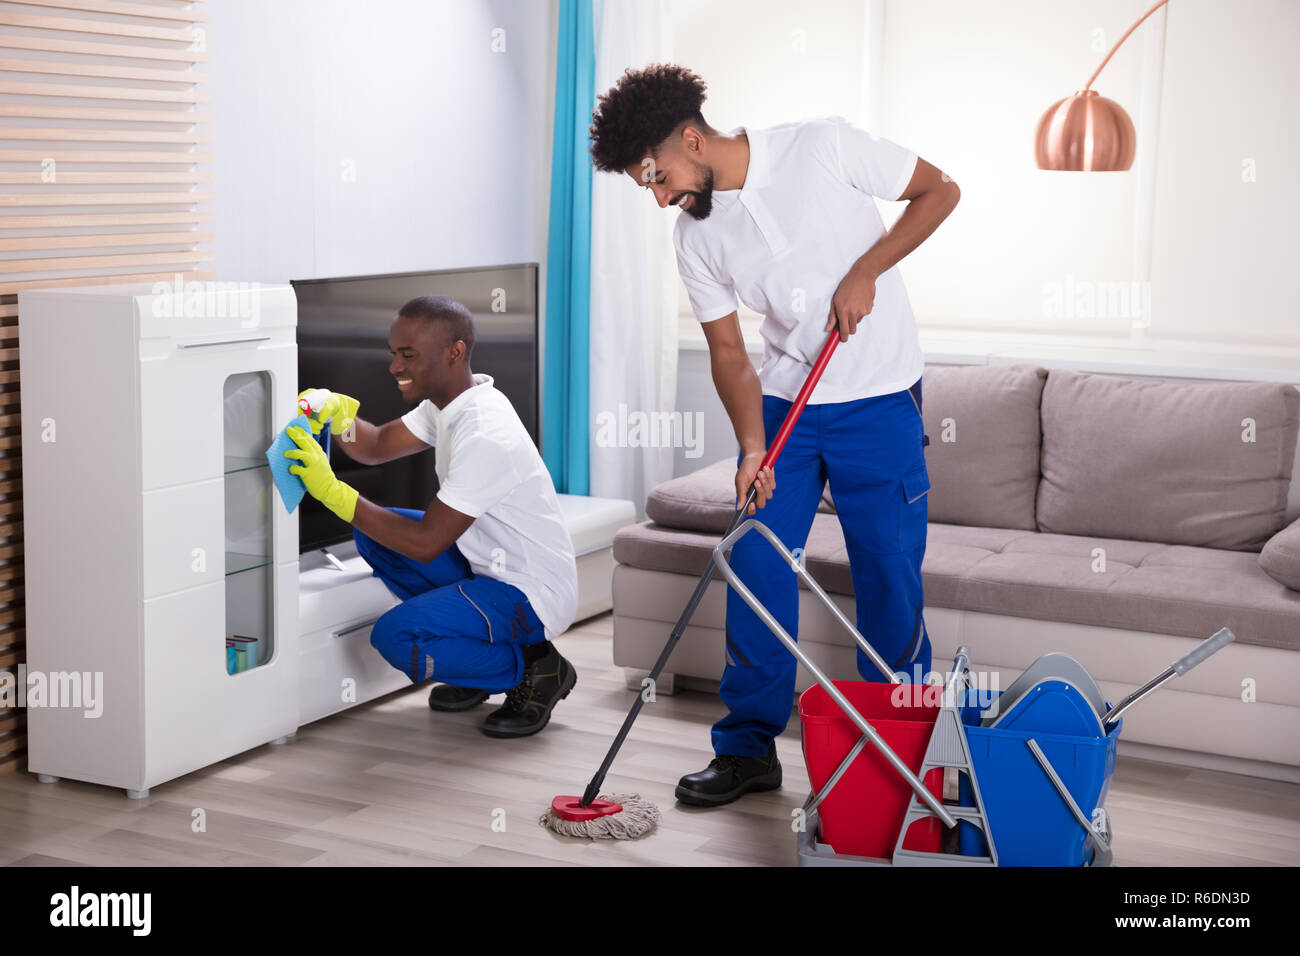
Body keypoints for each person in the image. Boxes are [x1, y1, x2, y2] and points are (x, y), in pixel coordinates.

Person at [588, 64, 960, 806]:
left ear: (692, 139)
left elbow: (940, 190)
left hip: (879, 397)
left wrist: (867, 270)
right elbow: (730, 354)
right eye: (648, 189)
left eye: (658, 177)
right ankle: (750, 748)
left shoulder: (822, 146)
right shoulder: (695, 240)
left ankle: (898, 749)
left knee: (888, 572)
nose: (661, 198)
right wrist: (755, 449)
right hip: (789, 404)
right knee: (757, 565)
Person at [285, 294, 579, 738]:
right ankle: (481, 664)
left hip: (528, 592)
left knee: (397, 636)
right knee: (374, 534)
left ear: (454, 352)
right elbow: (377, 444)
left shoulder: (486, 432)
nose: (394, 366)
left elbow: (425, 542)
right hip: (487, 568)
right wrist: (338, 414)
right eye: (393, 353)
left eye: (408, 355)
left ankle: (536, 669)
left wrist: (331, 491)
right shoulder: (450, 402)